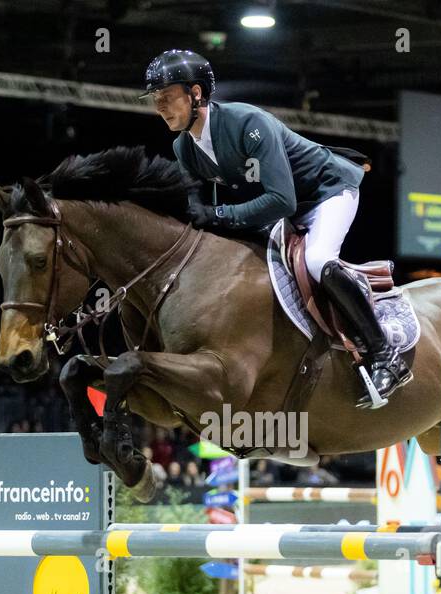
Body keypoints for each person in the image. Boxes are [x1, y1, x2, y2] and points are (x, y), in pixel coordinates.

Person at [142, 49, 411, 409]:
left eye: (166, 96)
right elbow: (199, 209)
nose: (160, 106)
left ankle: (383, 354)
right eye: (155, 99)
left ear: (195, 93)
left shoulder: (249, 123)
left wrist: (220, 215)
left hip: (327, 192)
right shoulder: (184, 147)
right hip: (280, 209)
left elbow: (280, 200)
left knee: (317, 260)